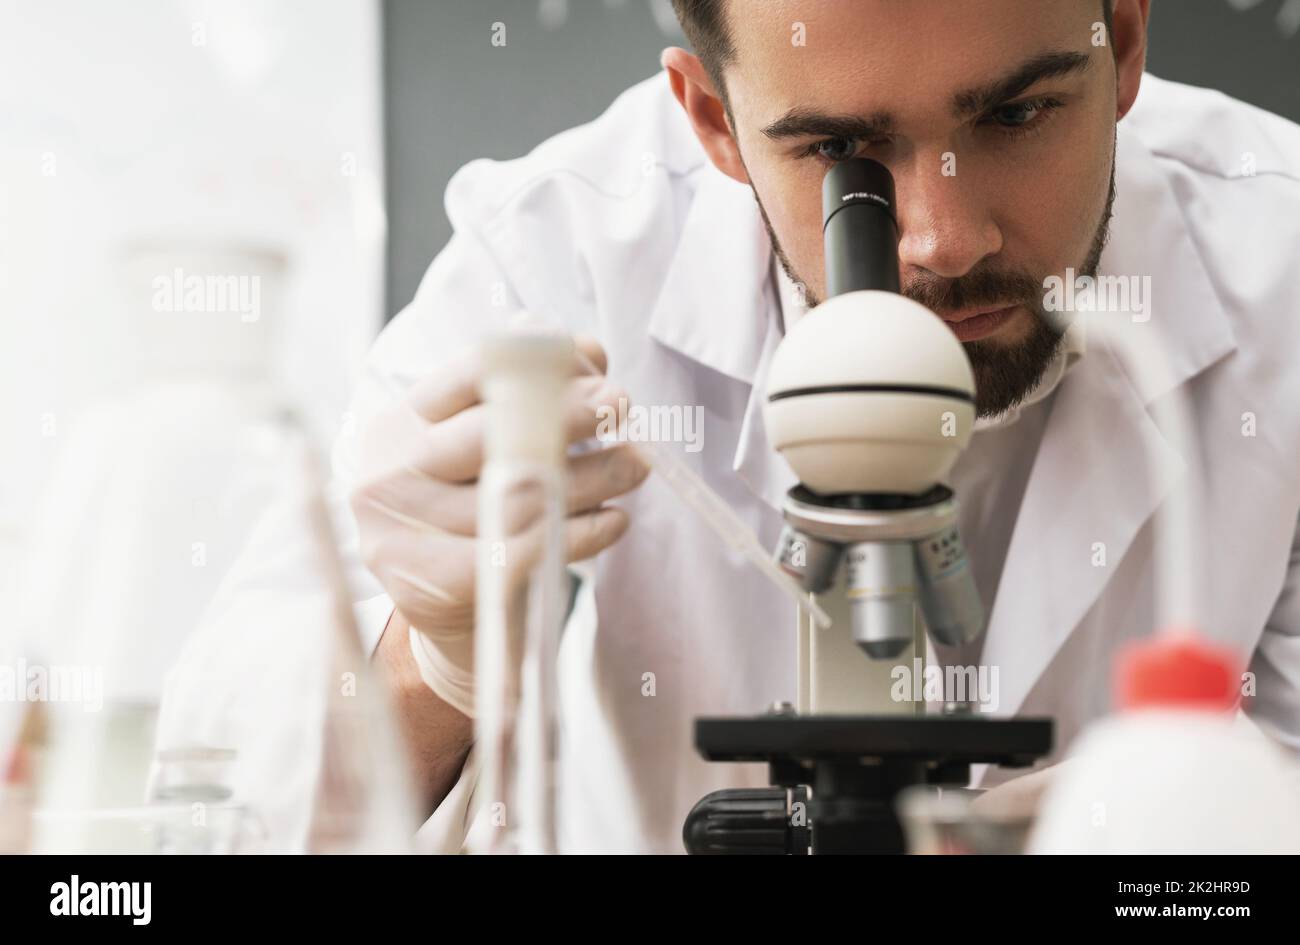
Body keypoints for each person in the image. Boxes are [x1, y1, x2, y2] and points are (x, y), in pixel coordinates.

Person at [158, 0, 1300, 853]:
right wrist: (432, 666)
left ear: (1126, 40)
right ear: (711, 120)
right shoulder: (556, 256)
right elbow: (211, 826)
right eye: (837, 154)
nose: (943, 239)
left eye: (1016, 114)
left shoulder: (1279, 259)